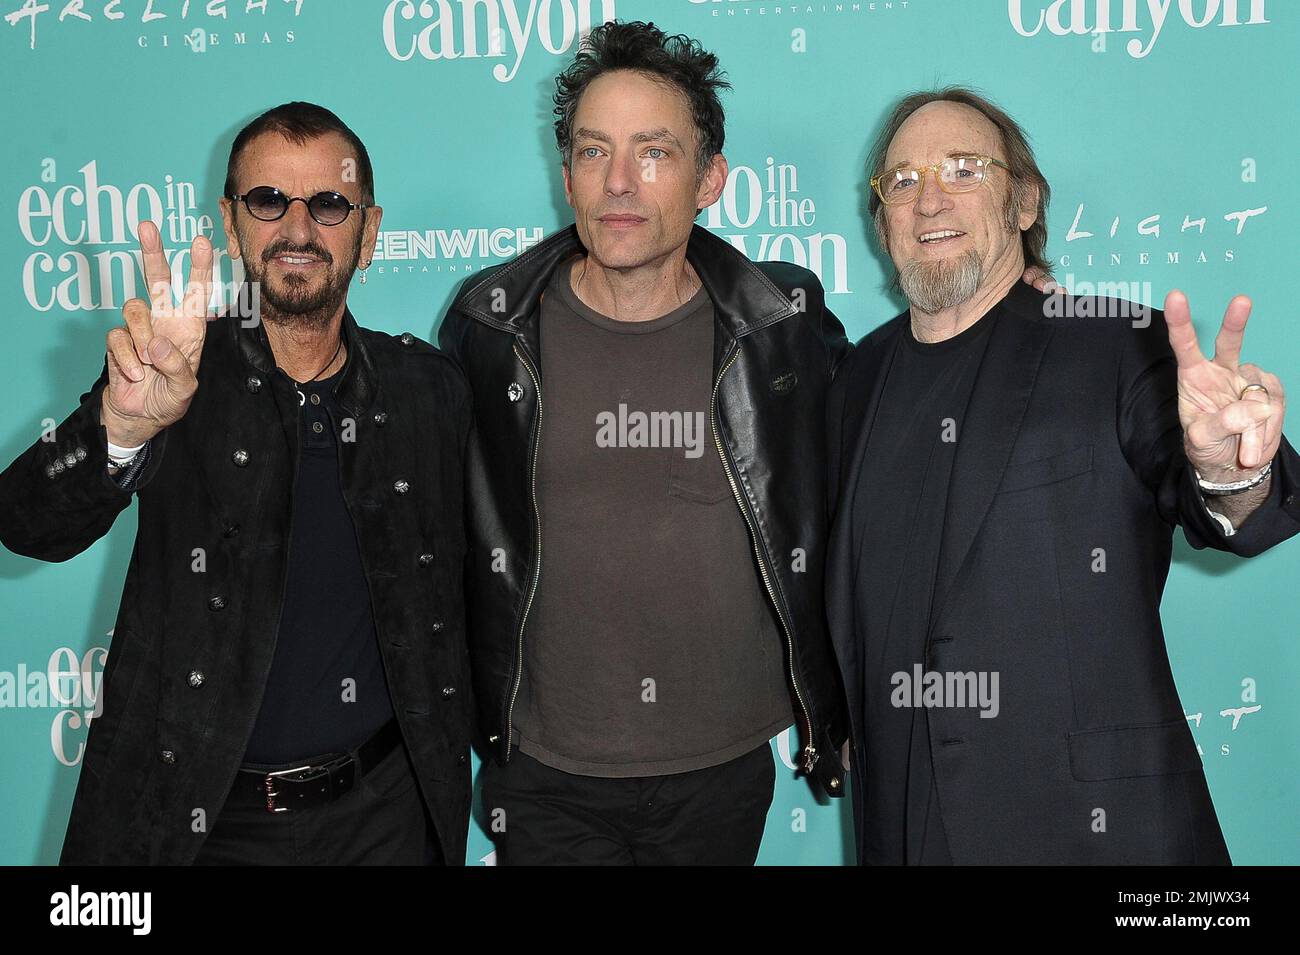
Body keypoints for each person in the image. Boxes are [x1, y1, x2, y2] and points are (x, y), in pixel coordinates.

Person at [826, 86, 1299, 864]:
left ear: (1023, 202)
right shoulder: (853, 382)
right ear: (881, 220)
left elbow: (1222, 500)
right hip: (906, 826)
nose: (929, 198)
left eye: (963, 168)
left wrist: (1226, 469)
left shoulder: (1119, 345)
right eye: (902, 181)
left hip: (1096, 827)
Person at [0, 102, 473, 865]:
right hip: (198, 819)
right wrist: (123, 427)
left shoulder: (428, 390)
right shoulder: (169, 374)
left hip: (383, 816)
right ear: (231, 224)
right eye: (267, 201)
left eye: (328, 203)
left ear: (370, 230)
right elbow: (24, 522)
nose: (297, 228)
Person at [438, 20, 854, 865]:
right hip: (542, 766)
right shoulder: (490, 327)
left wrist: (1009, 301)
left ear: (711, 179)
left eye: (654, 152)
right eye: (594, 152)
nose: (619, 182)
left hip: (722, 765)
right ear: (566, 176)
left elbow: (877, 457)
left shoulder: (782, 326)